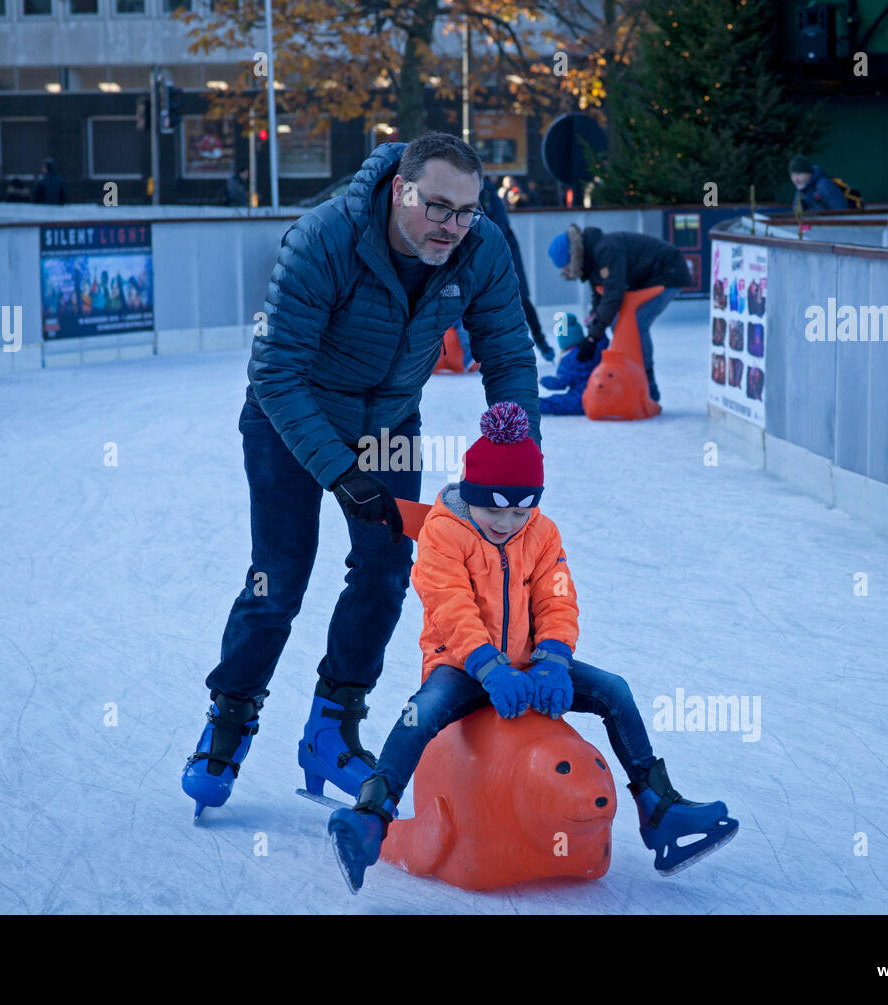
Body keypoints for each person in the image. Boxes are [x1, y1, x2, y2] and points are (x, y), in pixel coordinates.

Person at [181, 132, 541, 819]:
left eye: (467, 210)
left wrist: (523, 456)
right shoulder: (324, 239)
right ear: (401, 190)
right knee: (278, 576)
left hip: (389, 424)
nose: (453, 227)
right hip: (290, 415)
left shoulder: (480, 247)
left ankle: (331, 729)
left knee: (385, 570)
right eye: (438, 207)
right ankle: (229, 719)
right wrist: (342, 473)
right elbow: (276, 373)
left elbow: (508, 357)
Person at [326, 402, 738, 892]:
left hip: (527, 663)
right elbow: (449, 607)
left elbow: (558, 597)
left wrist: (553, 661)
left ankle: (659, 809)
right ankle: (373, 816)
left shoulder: (541, 533)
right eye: (494, 510)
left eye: (520, 510)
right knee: (421, 713)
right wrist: (487, 667)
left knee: (615, 691)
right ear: (471, 496)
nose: (507, 522)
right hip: (459, 665)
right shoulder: (442, 532)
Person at [548, 225, 691, 404]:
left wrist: (593, 338)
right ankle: (628, 375)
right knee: (619, 321)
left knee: (636, 323)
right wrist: (593, 322)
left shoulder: (605, 250)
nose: (566, 272)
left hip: (668, 272)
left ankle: (647, 382)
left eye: (566, 267)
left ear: (573, 257)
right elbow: (599, 294)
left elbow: (613, 294)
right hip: (647, 277)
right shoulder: (591, 257)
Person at [479, 178, 555, 361]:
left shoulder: (486, 192)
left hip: (503, 247)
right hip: (487, 248)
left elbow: (498, 224)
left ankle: (540, 341)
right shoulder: (475, 190)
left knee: (520, 296)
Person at [538, 313, 607, 415]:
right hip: (601, 395)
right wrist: (593, 327)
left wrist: (542, 380)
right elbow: (603, 341)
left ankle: (528, 406)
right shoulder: (594, 349)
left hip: (581, 400)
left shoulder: (569, 359)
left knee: (553, 402)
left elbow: (560, 383)